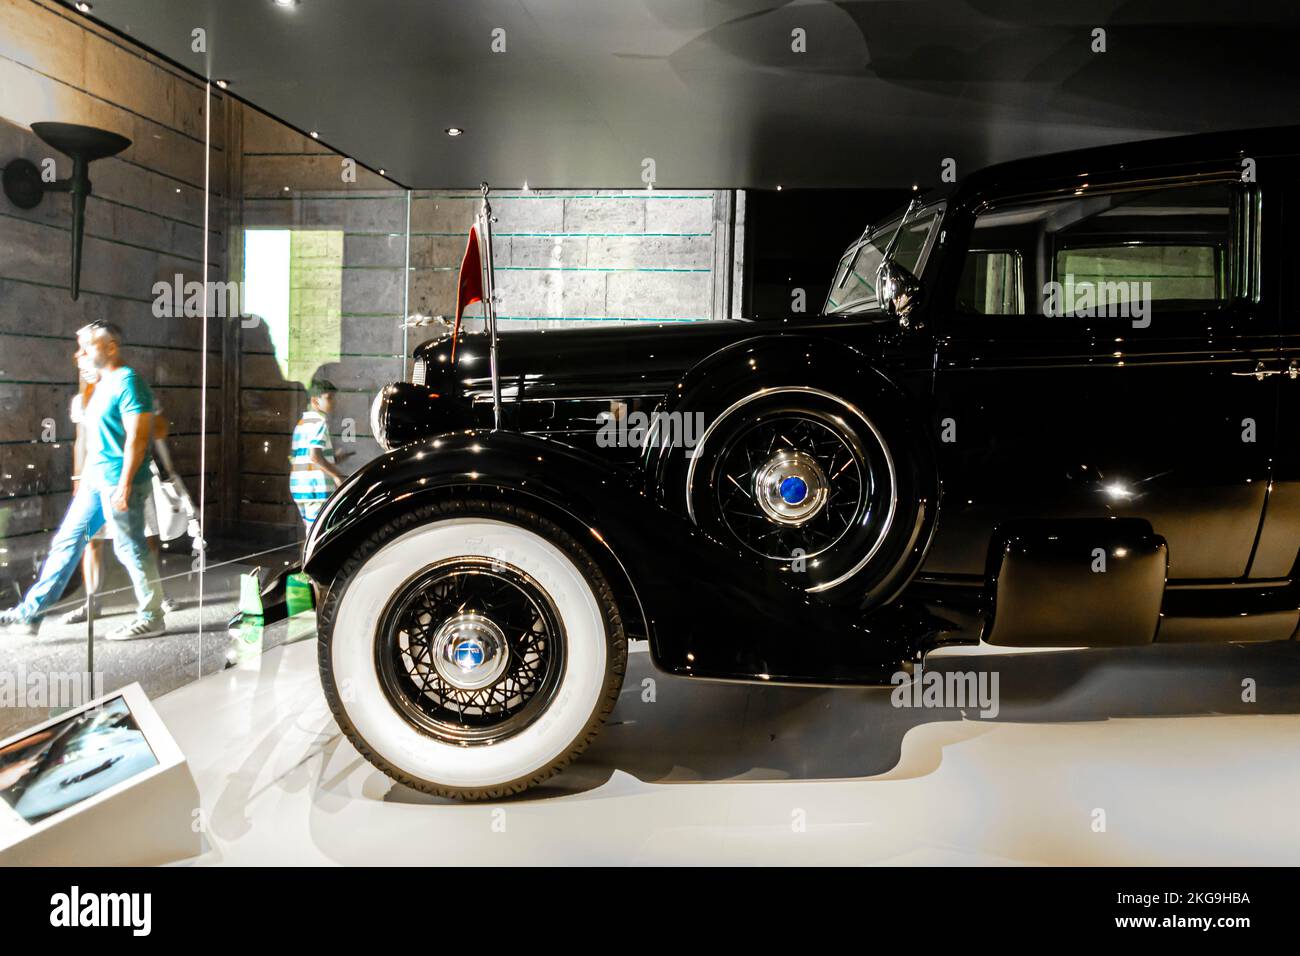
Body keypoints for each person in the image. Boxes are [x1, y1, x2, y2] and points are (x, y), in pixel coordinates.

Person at [0, 321, 165, 640]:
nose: (79, 354)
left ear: (110, 347)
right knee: (66, 543)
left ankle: (152, 615)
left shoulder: (128, 382)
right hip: (95, 481)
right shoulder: (99, 385)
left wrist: (125, 485)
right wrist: (84, 477)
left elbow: (138, 439)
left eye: (86, 347)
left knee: (129, 549)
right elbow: (94, 440)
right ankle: (31, 612)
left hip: (119, 481)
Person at [289, 378, 347, 529]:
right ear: (315, 401)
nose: (333, 402)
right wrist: (337, 475)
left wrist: (333, 459)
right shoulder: (320, 422)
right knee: (318, 533)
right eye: (329, 398)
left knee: (311, 531)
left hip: (299, 486)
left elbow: (299, 457)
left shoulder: (302, 423)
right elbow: (314, 456)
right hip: (317, 488)